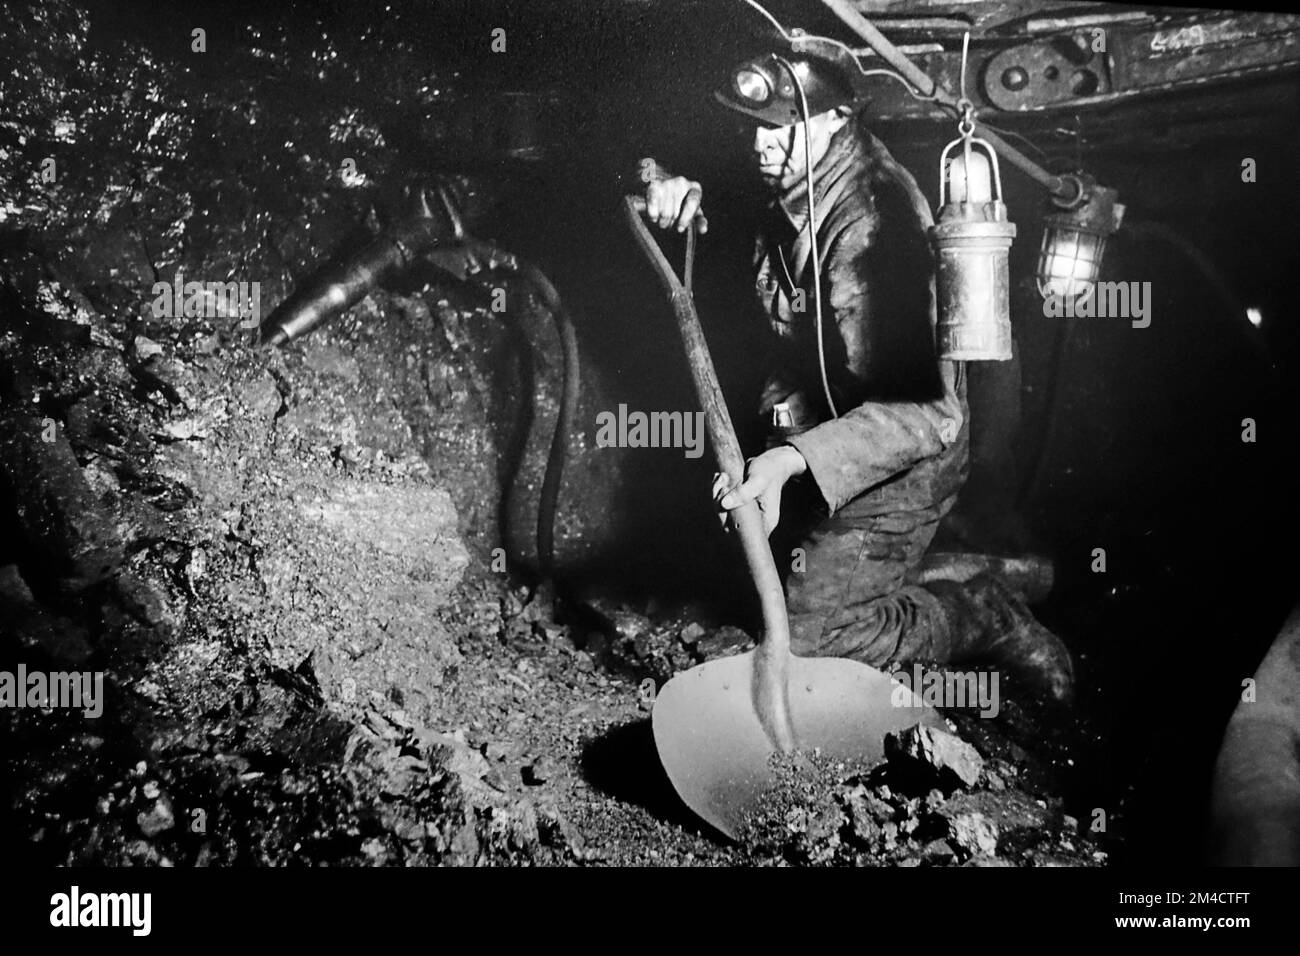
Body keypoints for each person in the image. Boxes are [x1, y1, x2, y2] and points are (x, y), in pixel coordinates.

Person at [641, 46, 1075, 704]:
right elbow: (708, 177)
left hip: (900, 458)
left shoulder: (877, 228)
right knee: (741, 568)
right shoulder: (795, 163)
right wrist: (673, 181)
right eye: (754, 126)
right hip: (816, 421)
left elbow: (927, 414)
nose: (761, 143)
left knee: (812, 635)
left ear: (838, 118)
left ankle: (987, 610)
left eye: (781, 128)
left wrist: (789, 464)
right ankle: (947, 566)